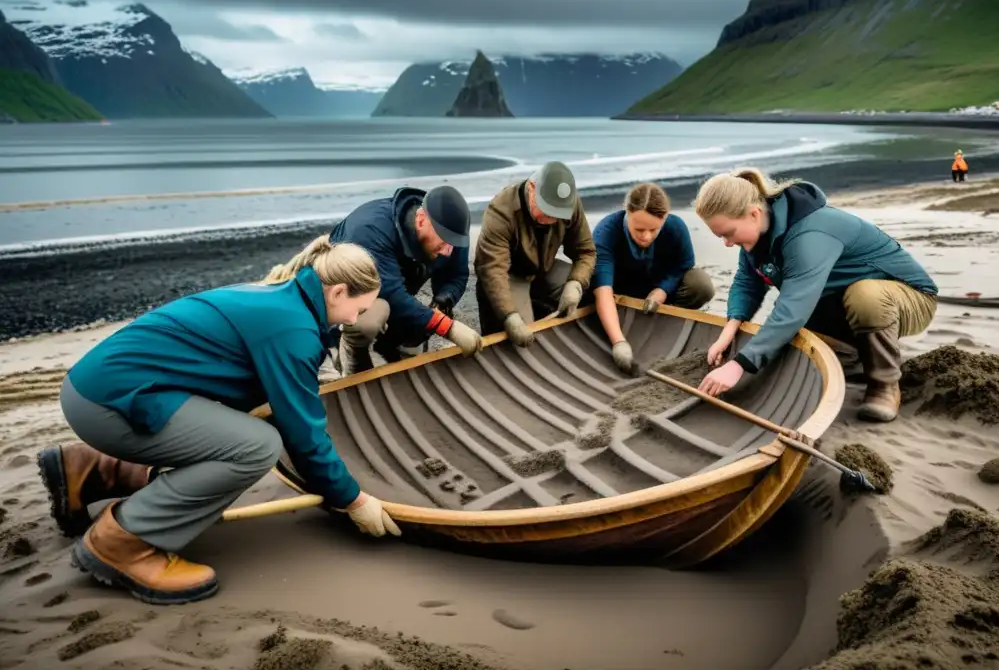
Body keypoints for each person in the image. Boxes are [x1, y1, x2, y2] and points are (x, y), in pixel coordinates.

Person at [36, 239, 402, 606]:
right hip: (106, 403)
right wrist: (353, 500)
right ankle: (125, 542)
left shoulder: (282, 296)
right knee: (256, 446)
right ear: (338, 291)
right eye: (359, 308)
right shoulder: (292, 330)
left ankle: (92, 470)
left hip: (101, 385)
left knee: (235, 429)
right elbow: (303, 436)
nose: (355, 320)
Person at [693, 167, 937, 423]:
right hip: (837, 301)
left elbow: (793, 308)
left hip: (909, 298)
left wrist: (738, 365)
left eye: (728, 234)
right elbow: (747, 281)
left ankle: (884, 384)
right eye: (720, 237)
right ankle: (859, 358)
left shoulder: (809, 234)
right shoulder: (759, 233)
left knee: (864, 296)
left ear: (754, 213)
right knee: (793, 339)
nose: (727, 243)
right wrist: (729, 329)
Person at [325, 185, 482, 376]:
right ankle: (348, 353)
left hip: (395, 289)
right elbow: (392, 294)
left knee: (423, 318)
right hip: (350, 294)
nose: (448, 251)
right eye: (445, 241)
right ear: (421, 219)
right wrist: (447, 327)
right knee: (367, 322)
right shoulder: (371, 230)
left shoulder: (450, 232)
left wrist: (444, 299)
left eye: (454, 243)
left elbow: (456, 274)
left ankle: (394, 350)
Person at [591, 183, 716, 373]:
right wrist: (618, 342)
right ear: (628, 213)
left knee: (701, 284)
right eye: (639, 229)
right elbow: (603, 290)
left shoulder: (676, 227)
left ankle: (669, 319)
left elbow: (684, 264)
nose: (646, 236)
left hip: (658, 293)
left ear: (664, 218)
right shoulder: (606, 232)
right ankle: (622, 326)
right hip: (621, 297)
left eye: (654, 230)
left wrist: (663, 290)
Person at [474, 161, 597, 346]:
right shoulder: (501, 211)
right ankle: (521, 314)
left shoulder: (569, 204)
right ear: (532, 189)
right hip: (510, 275)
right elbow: (492, 271)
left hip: (545, 269)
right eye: (547, 210)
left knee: (593, 288)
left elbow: (585, 251)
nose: (551, 220)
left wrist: (576, 283)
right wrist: (510, 316)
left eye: (557, 215)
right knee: (522, 337)